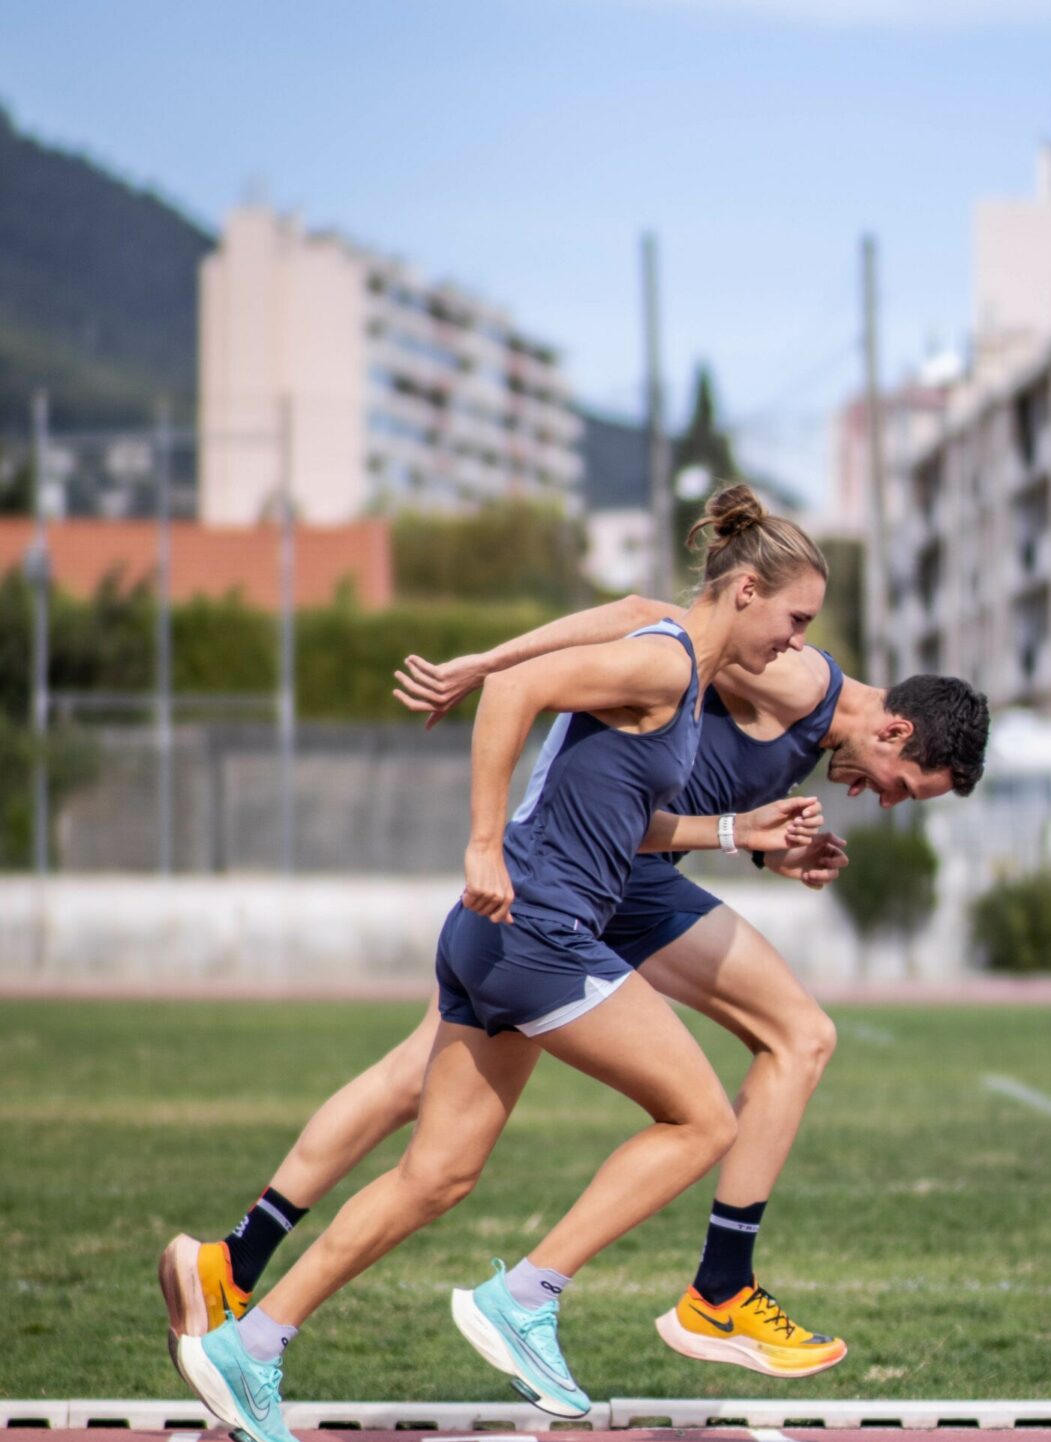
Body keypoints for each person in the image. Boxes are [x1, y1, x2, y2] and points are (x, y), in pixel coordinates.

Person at [163, 554, 989, 1398]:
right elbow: (645, 619)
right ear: (895, 733)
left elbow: (671, 800)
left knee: (422, 1099)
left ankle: (236, 1266)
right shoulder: (802, 682)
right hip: (586, 888)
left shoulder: (815, 726)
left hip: (609, 878)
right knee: (793, 1041)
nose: (886, 802)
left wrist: (763, 847)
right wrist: (490, 667)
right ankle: (718, 1290)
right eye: (904, 789)